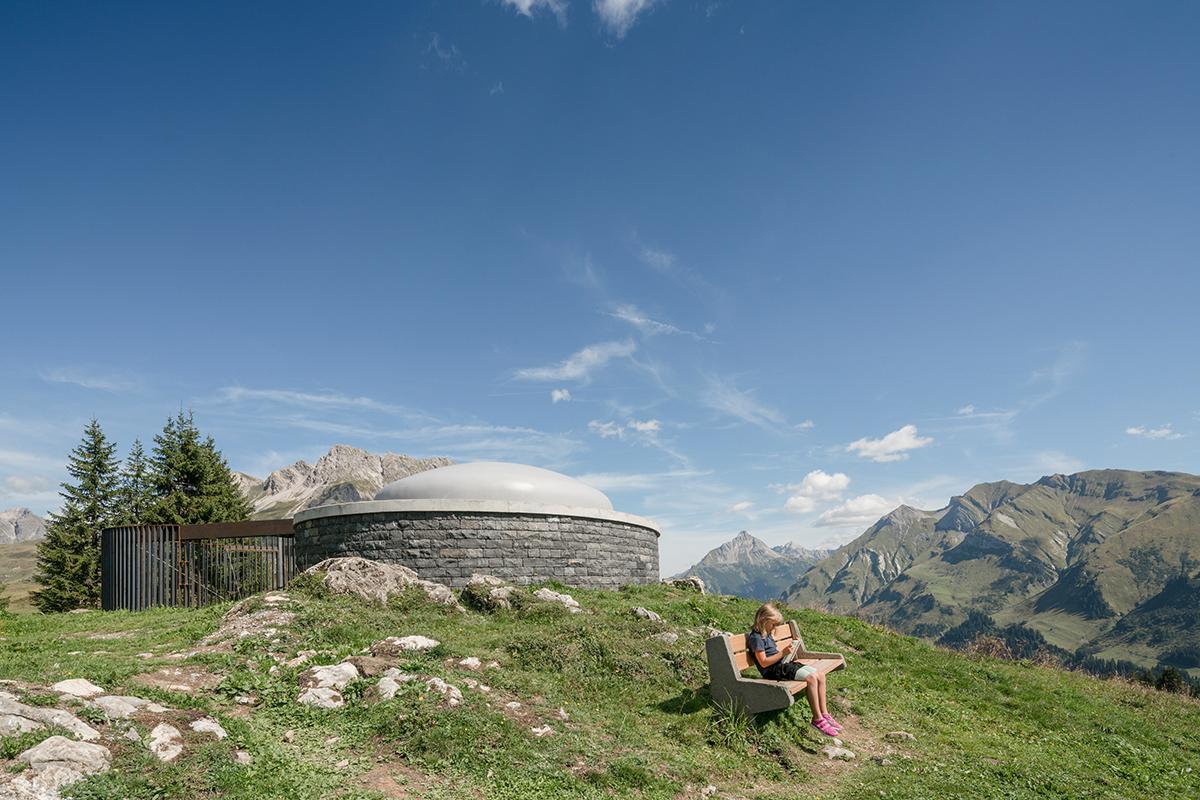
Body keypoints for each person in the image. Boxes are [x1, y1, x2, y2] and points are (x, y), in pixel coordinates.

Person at [747, 603, 842, 736]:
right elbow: (763, 663)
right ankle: (817, 719)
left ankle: (824, 714)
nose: (774, 628)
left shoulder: (766, 634)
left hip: (781, 665)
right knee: (811, 678)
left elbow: (772, 654)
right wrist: (783, 653)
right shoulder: (756, 638)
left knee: (820, 675)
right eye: (773, 624)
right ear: (763, 620)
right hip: (773, 670)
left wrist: (790, 649)